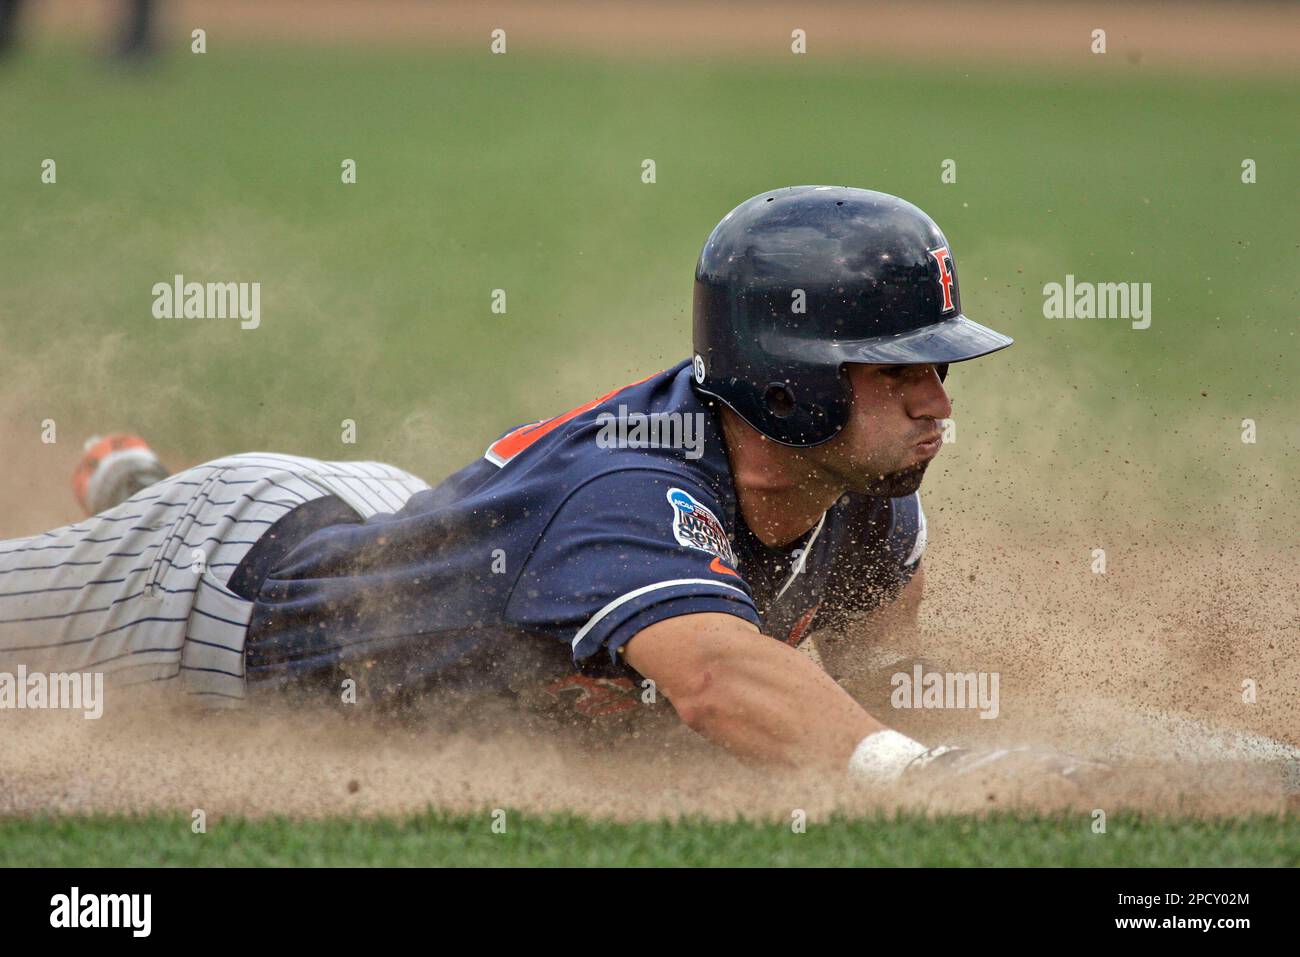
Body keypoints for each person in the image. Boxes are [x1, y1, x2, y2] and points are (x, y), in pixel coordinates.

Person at [0, 186, 1101, 787]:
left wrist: (1007, 740)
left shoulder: (868, 491)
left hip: (410, 535)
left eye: (939, 369)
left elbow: (877, 678)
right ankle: (147, 507)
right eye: (897, 370)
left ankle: (136, 480)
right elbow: (718, 682)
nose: (935, 403)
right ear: (788, 382)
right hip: (207, 590)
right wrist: (920, 778)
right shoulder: (630, 493)